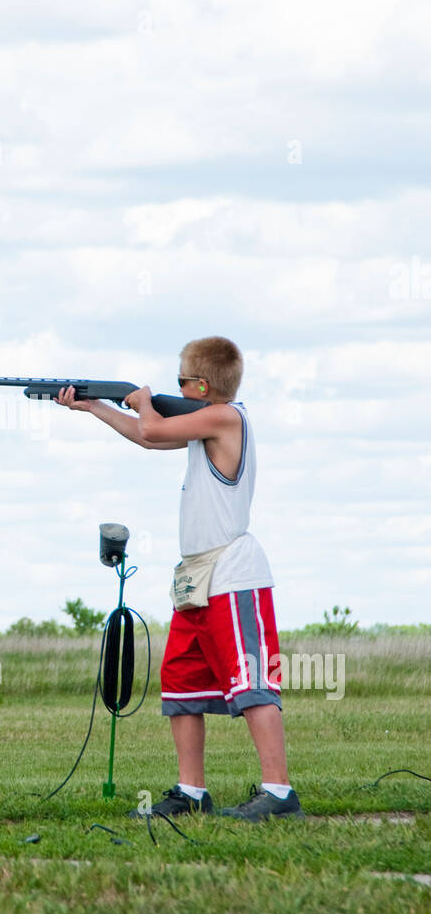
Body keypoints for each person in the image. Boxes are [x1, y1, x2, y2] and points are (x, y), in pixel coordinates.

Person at [55, 335, 302, 822]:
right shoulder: (204, 424)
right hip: (196, 577)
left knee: (251, 684)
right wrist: (94, 407)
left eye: (181, 382)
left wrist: (144, 401)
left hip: (233, 573)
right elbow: (147, 435)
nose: (176, 388)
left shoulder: (225, 416)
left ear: (203, 386)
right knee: (182, 682)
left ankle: (278, 792)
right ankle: (192, 793)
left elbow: (150, 429)